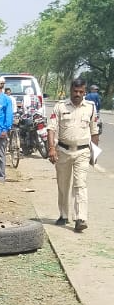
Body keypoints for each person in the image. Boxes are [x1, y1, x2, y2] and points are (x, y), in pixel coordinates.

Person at [47, 78, 100, 232]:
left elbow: (94, 132)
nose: (78, 94)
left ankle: (80, 218)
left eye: (81, 92)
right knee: (63, 185)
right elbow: (51, 128)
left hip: (83, 151)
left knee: (80, 184)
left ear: (85, 91)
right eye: (75, 91)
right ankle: (63, 215)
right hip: (63, 151)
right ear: (70, 90)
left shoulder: (90, 107)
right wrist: (51, 148)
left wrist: (94, 153)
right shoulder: (60, 106)